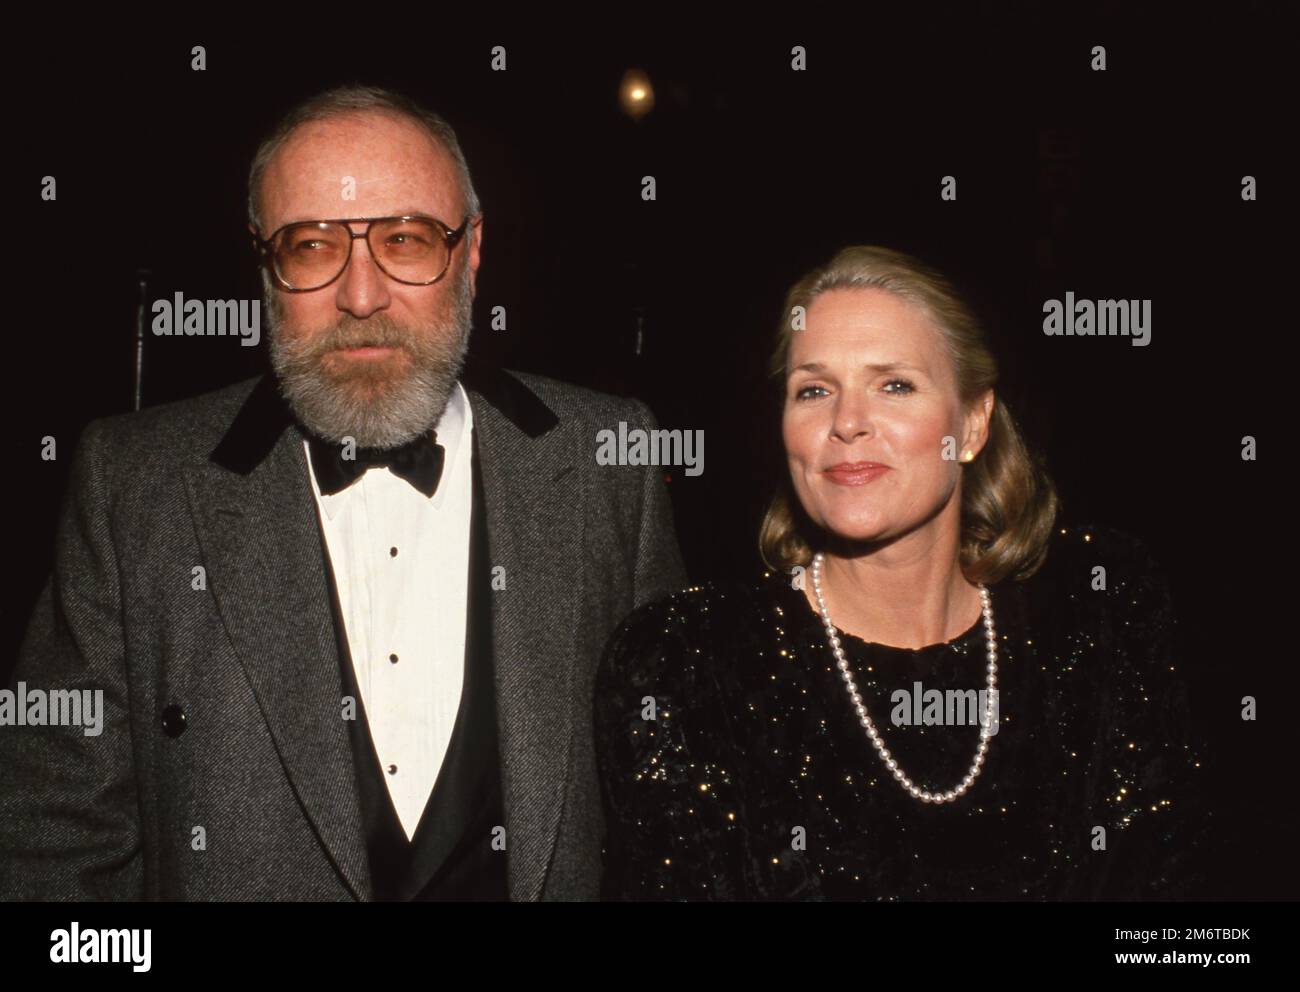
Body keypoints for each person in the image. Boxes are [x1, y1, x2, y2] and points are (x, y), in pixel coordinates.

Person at [1, 85, 686, 901]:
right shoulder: (132, 483)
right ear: (263, 266)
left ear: (471, 254)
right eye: (313, 246)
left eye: (406, 238)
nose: (362, 298)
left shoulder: (611, 463)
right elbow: (55, 844)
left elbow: (671, 812)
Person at [594, 246, 1208, 900]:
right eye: (814, 389)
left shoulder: (1099, 610)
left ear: (972, 423)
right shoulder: (689, 664)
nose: (847, 423)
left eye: (894, 384)